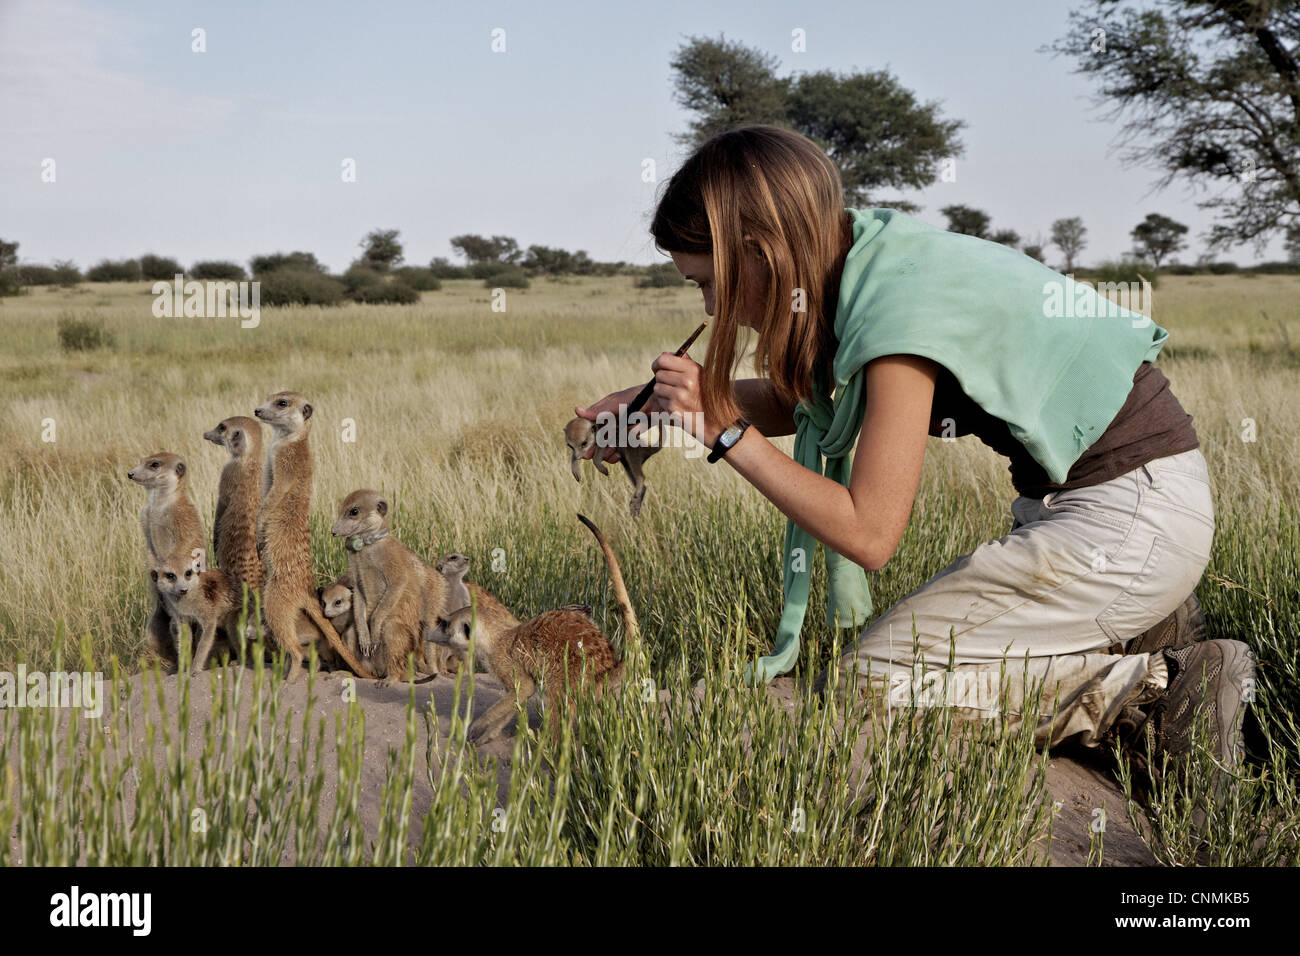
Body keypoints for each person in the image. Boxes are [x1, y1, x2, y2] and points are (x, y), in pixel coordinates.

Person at [576, 124, 1254, 766]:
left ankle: (1155, 690)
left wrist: (722, 434)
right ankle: (1134, 626)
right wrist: (660, 406)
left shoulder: (897, 308)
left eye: (706, 283)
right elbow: (800, 401)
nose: (708, 310)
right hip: (1123, 507)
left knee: (867, 691)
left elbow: (870, 533)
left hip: (1129, 519)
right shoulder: (865, 254)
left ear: (761, 252)